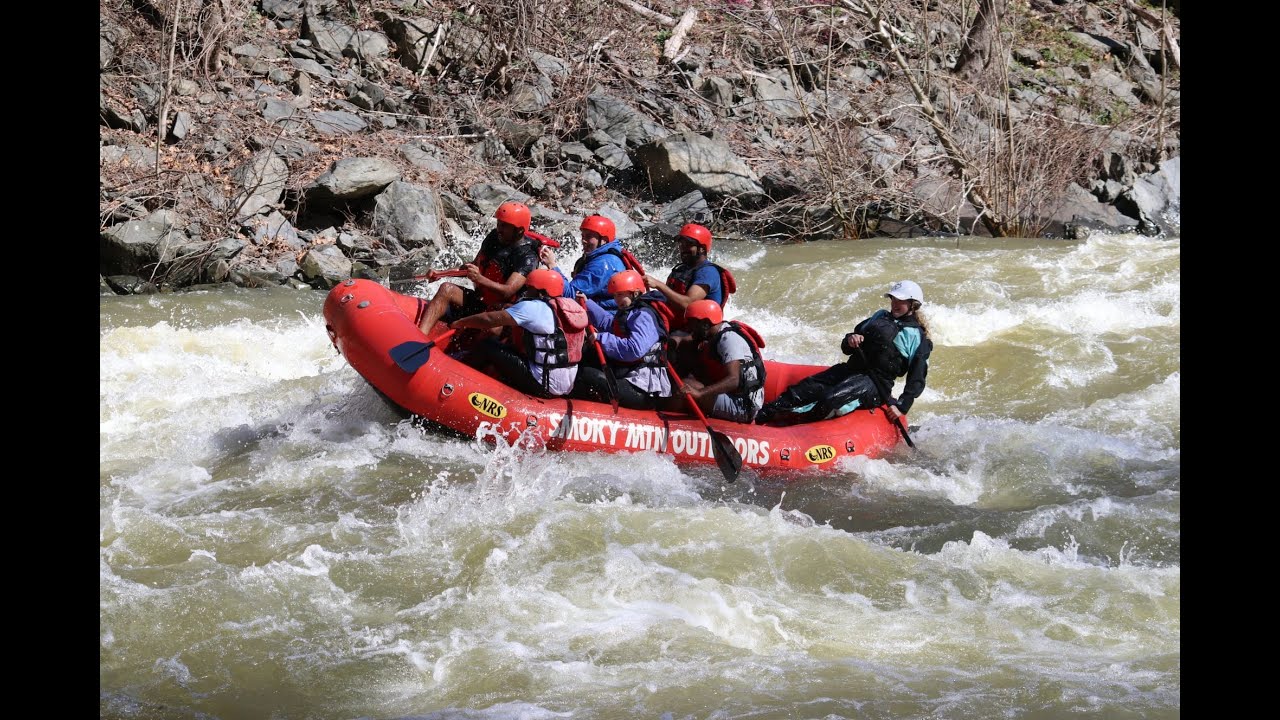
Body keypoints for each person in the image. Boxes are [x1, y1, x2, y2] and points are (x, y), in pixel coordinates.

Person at [755, 280, 933, 426]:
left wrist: (903, 405)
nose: (894, 304)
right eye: (893, 299)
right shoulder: (879, 317)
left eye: (900, 301)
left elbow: (917, 376)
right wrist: (851, 339)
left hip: (876, 385)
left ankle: (794, 428)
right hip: (851, 370)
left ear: (913, 304)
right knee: (803, 389)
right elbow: (847, 345)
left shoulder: (916, 336)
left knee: (831, 399)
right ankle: (763, 415)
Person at [447, 269, 588, 398]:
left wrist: (461, 322)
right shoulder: (572, 307)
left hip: (542, 384)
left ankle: (457, 376)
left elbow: (489, 319)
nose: (526, 293)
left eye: (529, 289)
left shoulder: (534, 307)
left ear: (540, 292)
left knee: (487, 345)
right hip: (567, 385)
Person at [415, 201, 542, 337]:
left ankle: (469, 355)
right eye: (498, 223)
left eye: (504, 226)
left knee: (494, 330)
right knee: (446, 288)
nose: (499, 228)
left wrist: (479, 278)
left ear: (519, 231)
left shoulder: (528, 256)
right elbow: (474, 266)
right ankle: (419, 337)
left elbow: (507, 291)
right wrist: (441, 273)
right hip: (481, 301)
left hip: (501, 312)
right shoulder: (494, 237)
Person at [570, 270, 673, 410]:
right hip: (629, 373)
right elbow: (611, 325)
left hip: (643, 387)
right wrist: (588, 304)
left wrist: (601, 338)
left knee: (588, 376)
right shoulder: (631, 311)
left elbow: (634, 349)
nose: (616, 300)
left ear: (635, 293)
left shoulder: (644, 315)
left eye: (620, 295)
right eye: (614, 295)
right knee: (585, 357)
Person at [664, 299, 765, 424]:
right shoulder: (712, 331)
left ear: (706, 324)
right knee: (687, 362)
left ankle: (663, 419)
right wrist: (672, 342)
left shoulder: (729, 340)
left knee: (684, 385)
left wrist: (700, 393)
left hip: (743, 406)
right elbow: (684, 340)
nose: (690, 328)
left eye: (692, 324)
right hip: (733, 395)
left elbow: (734, 380)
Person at [643, 223, 729, 331]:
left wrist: (658, 285)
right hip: (678, 323)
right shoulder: (682, 269)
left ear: (701, 249)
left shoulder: (708, 272)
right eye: (681, 243)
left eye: (688, 244)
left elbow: (688, 304)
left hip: (698, 331)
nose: (683, 248)